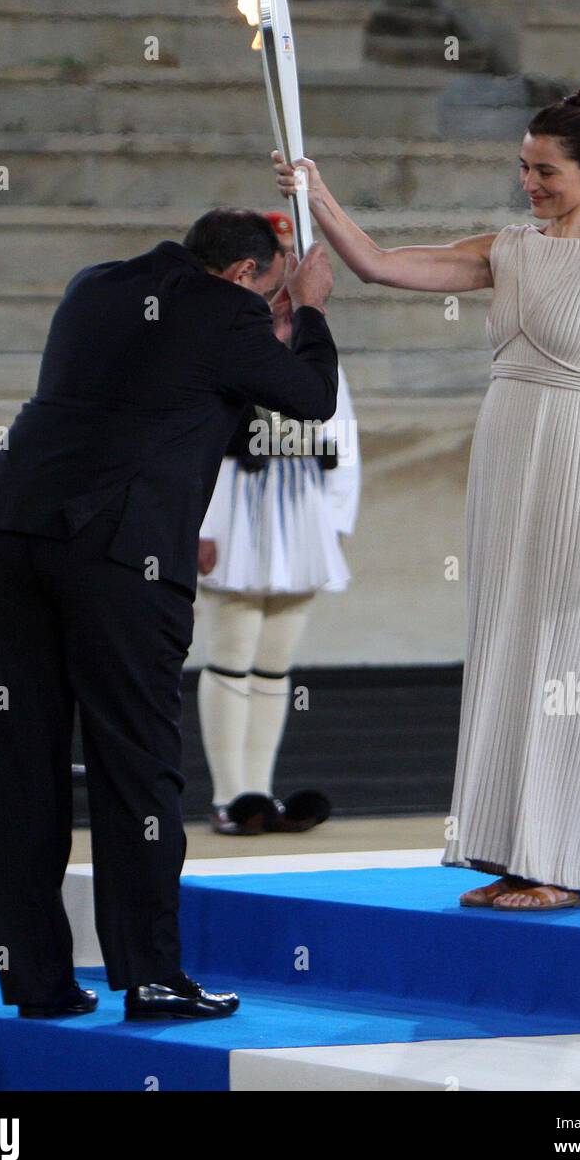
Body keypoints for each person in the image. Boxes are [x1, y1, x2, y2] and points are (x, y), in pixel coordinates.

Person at [274, 86, 580, 910]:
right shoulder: (506, 248)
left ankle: (558, 863)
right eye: (523, 168)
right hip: (503, 456)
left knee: (566, 657)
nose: (530, 183)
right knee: (502, 646)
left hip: (575, 460)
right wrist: (318, 195)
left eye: (548, 172)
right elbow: (380, 263)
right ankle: (505, 848)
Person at [0, 209, 337, 1020]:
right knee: (136, 764)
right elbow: (309, 399)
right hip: (117, 553)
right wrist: (308, 311)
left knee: (20, 765)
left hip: (10, 528)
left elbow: (154, 381)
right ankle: (151, 974)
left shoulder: (94, 284)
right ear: (242, 274)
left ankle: (36, 982)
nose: (269, 308)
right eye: (265, 290)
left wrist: (269, 315)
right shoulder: (228, 311)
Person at [196, 211, 361, 834]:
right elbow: (206, 442)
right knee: (230, 657)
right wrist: (202, 527)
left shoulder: (317, 356)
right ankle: (227, 793)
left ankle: (258, 792)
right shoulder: (231, 349)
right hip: (238, 513)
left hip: (300, 518)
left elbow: (342, 439)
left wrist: (335, 522)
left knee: (273, 666)